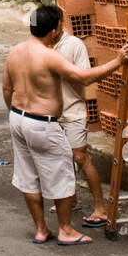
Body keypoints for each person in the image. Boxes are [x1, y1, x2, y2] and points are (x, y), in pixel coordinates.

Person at [2, 5, 128, 245]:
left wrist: (16, 114)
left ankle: (41, 229)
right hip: (41, 122)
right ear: (54, 31)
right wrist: (118, 61)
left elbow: (6, 88)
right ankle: (65, 230)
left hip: (17, 118)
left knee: (28, 176)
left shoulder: (15, 52)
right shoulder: (49, 55)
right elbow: (83, 77)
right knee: (62, 175)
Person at [55, 26, 108, 227]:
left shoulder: (74, 45)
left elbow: (85, 76)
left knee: (80, 157)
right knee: (61, 158)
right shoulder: (44, 44)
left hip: (74, 111)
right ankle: (72, 200)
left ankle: (101, 209)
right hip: (53, 113)